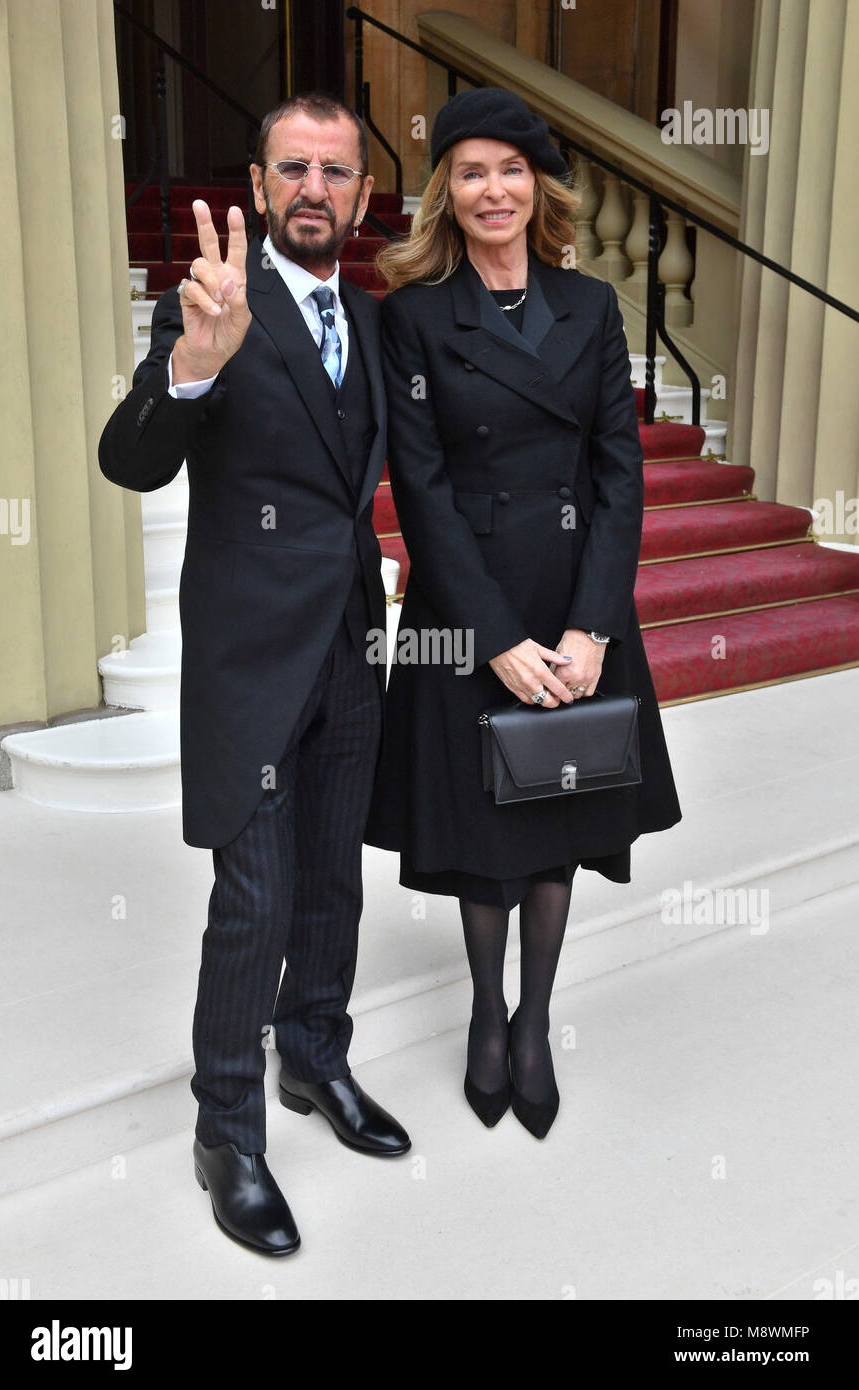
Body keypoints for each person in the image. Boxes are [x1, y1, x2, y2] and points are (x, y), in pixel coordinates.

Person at [99, 91, 410, 1256]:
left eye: (336, 171)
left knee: (334, 879)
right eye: (294, 168)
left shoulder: (376, 327)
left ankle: (313, 1061)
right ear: (258, 182)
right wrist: (190, 362)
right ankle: (226, 1128)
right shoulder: (217, 306)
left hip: (348, 643)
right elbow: (128, 460)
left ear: (362, 196)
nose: (315, 188)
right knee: (256, 899)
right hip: (246, 660)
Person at [365, 87, 682, 1140]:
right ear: (443, 193)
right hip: (471, 604)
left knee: (554, 813)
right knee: (480, 824)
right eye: (468, 171)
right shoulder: (410, 317)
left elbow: (616, 476)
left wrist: (592, 627)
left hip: (574, 597)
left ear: (536, 187)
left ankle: (535, 1020)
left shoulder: (589, 308)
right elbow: (421, 491)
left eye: (508, 170)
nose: (489, 189)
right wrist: (496, 638)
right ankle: (485, 1015)